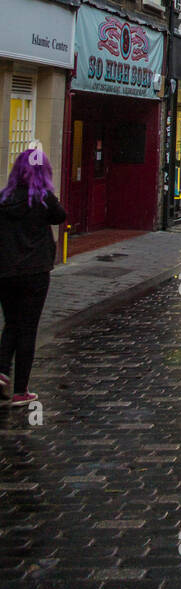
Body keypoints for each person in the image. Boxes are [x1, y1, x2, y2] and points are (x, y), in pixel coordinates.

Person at [0, 149, 67, 406]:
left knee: (11, 324)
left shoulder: (4, 200)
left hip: (5, 272)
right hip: (34, 272)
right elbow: (60, 216)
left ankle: (2, 371)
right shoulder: (43, 200)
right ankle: (20, 390)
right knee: (28, 328)